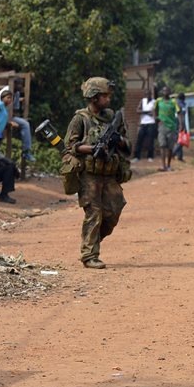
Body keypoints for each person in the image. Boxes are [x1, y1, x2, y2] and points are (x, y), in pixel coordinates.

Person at [64, 77, 130, 269]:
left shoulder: (112, 117)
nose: (108, 99)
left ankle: (92, 240)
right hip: (90, 174)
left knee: (114, 211)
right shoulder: (80, 119)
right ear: (94, 98)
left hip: (109, 174)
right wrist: (92, 149)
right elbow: (70, 146)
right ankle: (89, 255)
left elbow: (128, 145)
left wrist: (118, 141)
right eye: (105, 96)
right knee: (94, 213)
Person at [0, 88, 35, 163]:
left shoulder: (4, 108)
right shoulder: (0, 104)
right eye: (8, 98)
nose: (10, 100)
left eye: (11, 98)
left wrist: (10, 123)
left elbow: (3, 120)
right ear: (2, 98)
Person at [154, 87, 177, 171]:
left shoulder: (173, 102)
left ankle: (169, 165)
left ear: (170, 92)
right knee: (162, 145)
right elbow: (154, 109)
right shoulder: (158, 101)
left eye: (167, 90)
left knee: (170, 147)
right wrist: (156, 118)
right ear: (162, 92)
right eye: (164, 91)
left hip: (171, 126)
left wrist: (181, 125)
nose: (166, 92)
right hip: (162, 125)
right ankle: (163, 166)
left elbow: (179, 112)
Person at [133, 88, 157, 162]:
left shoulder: (154, 102)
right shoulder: (143, 101)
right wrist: (146, 112)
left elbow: (154, 112)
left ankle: (150, 156)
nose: (147, 95)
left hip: (151, 123)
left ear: (151, 94)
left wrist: (150, 113)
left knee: (150, 140)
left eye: (149, 94)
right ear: (145, 95)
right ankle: (137, 157)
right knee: (139, 140)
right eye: (146, 94)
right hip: (143, 123)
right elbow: (137, 110)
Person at [173, 92, 190, 162]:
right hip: (179, 122)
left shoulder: (177, 103)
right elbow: (180, 115)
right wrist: (182, 126)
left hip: (177, 122)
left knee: (180, 139)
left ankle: (180, 157)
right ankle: (173, 153)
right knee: (181, 141)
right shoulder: (181, 104)